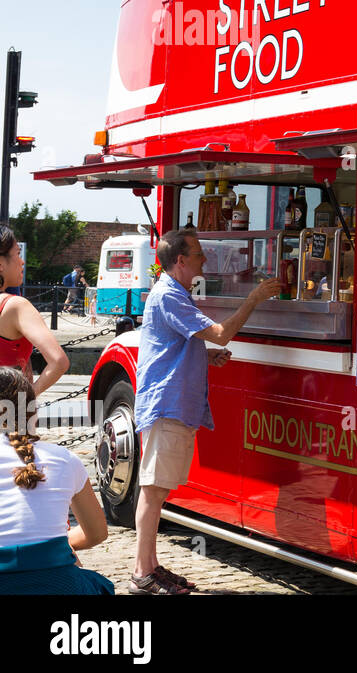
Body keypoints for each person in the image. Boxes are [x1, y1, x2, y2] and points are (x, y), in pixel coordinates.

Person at [130, 228, 280, 594]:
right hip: (167, 402)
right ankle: (141, 573)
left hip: (172, 401)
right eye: (197, 254)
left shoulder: (173, 292)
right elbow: (220, 332)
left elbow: (179, 343)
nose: (204, 259)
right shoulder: (170, 294)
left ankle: (150, 567)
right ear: (179, 261)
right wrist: (254, 298)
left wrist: (205, 355)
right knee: (152, 489)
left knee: (157, 489)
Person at [0, 367, 114, 594]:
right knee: (98, 585)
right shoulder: (64, 459)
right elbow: (97, 533)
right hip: (57, 581)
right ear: (33, 411)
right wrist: (55, 543)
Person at [0, 225, 70, 397]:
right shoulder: (16, 306)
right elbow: (59, 362)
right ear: (1, 264)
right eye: (17, 253)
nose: (22, 261)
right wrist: (27, 398)